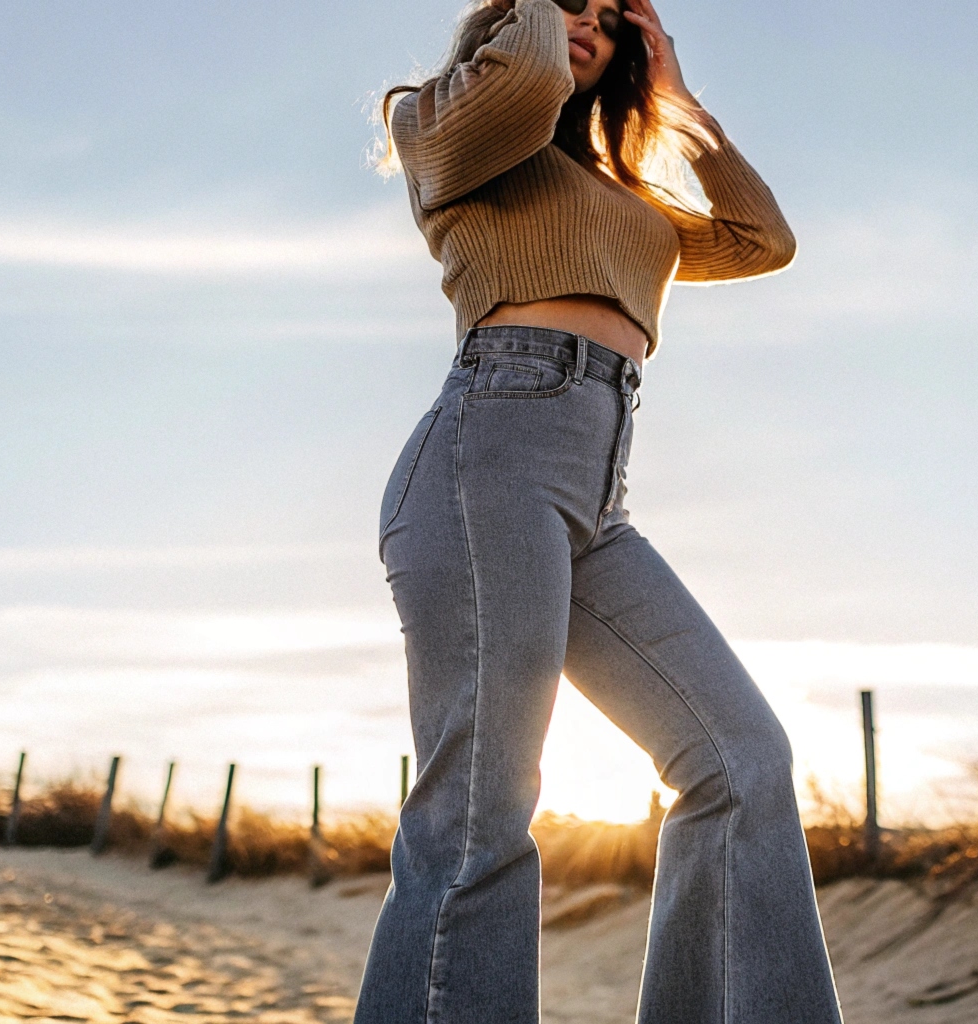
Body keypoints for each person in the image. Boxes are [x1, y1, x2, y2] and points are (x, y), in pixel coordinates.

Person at [353, 0, 845, 1022]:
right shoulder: (444, 128)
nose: (583, 22)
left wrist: (673, 96)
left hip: (595, 488)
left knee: (738, 759)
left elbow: (762, 238)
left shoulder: (620, 199)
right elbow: (527, 84)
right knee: (481, 810)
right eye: (564, 1)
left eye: (609, 16)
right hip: (484, 456)